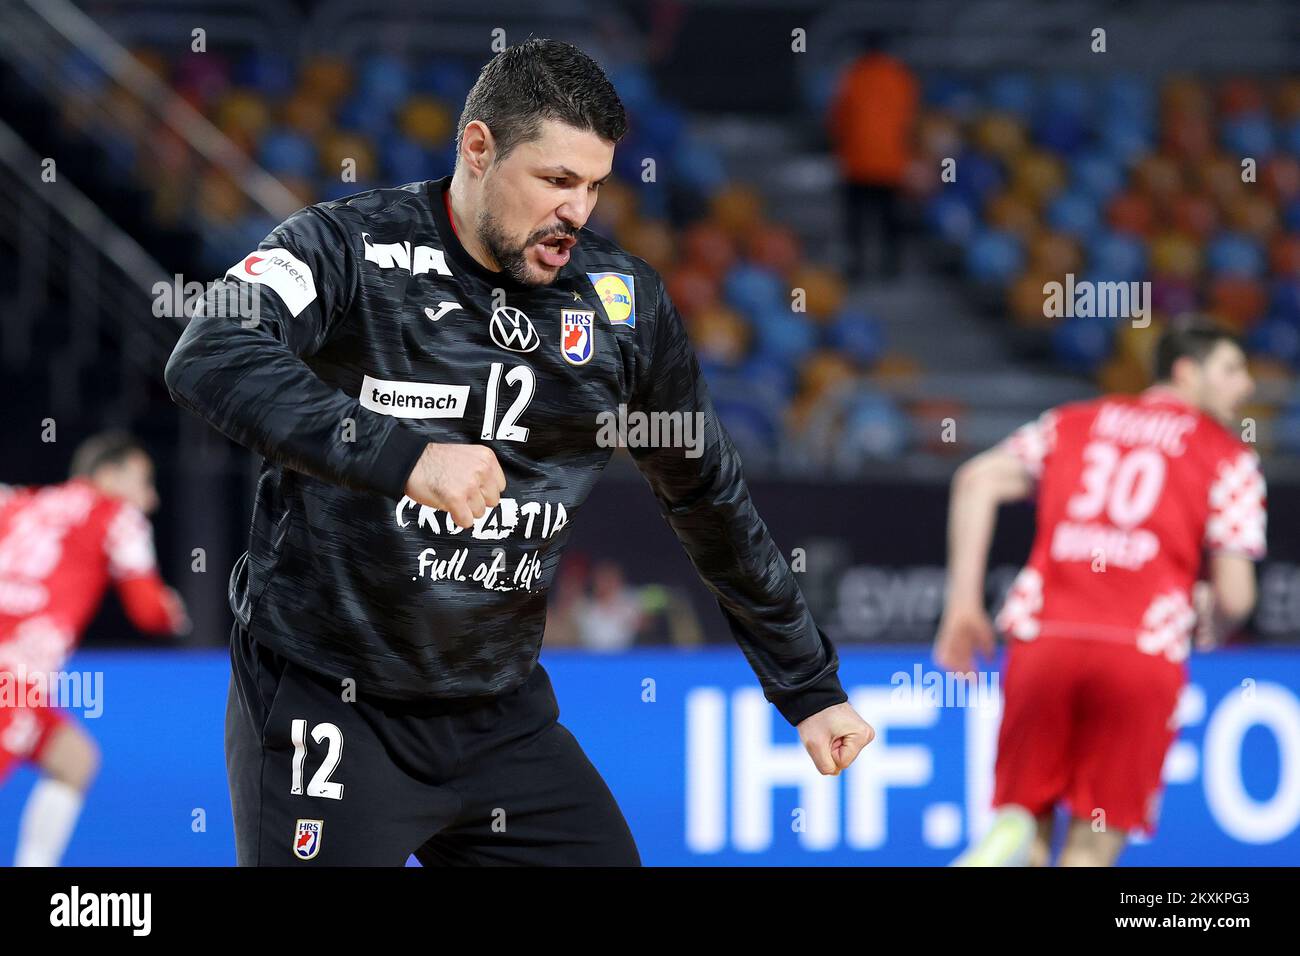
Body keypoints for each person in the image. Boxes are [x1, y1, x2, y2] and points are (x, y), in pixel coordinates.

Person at [165, 38, 874, 866]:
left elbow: (708, 496)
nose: (577, 211)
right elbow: (210, 353)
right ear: (478, 148)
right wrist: (406, 457)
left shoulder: (622, 304)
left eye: (596, 186)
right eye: (556, 181)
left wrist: (808, 688)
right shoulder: (347, 249)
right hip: (330, 696)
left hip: (498, 712)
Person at [933, 323, 1266, 866]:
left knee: (1026, 826)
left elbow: (976, 479)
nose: (1246, 385)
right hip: (1140, 652)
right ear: (1185, 371)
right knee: (1091, 848)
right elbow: (1236, 597)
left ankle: (1010, 841)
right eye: (1231, 370)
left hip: (1046, 640)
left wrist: (963, 605)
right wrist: (1213, 620)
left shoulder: (1073, 422)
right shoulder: (1229, 459)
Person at [0, 430, 190, 866]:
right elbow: (148, 612)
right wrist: (172, 610)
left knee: (73, 758)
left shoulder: (21, 501)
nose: (151, 499)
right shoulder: (116, 515)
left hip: (15, 686)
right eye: (143, 482)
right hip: (11, 677)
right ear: (109, 475)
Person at [828, 30, 918, 279]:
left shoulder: (852, 76)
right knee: (890, 217)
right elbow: (910, 120)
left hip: (857, 161)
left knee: (857, 220)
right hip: (891, 162)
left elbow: (838, 118)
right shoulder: (900, 77)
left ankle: (857, 266)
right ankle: (891, 267)